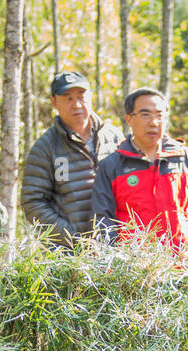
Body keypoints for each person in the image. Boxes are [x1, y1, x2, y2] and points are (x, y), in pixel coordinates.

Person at [92, 86, 188, 249]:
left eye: (160, 115)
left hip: (187, 262)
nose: (153, 122)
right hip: (138, 267)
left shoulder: (184, 157)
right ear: (129, 119)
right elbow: (103, 223)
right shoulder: (112, 165)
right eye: (145, 115)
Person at [20, 70, 123, 247]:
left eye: (81, 96)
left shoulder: (114, 138)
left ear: (91, 97)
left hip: (118, 247)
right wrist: (71, 237)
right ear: (54, 102)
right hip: (71, 255)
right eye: (68, 98)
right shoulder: (45, 148)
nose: (76, 104)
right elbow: (33, 203)